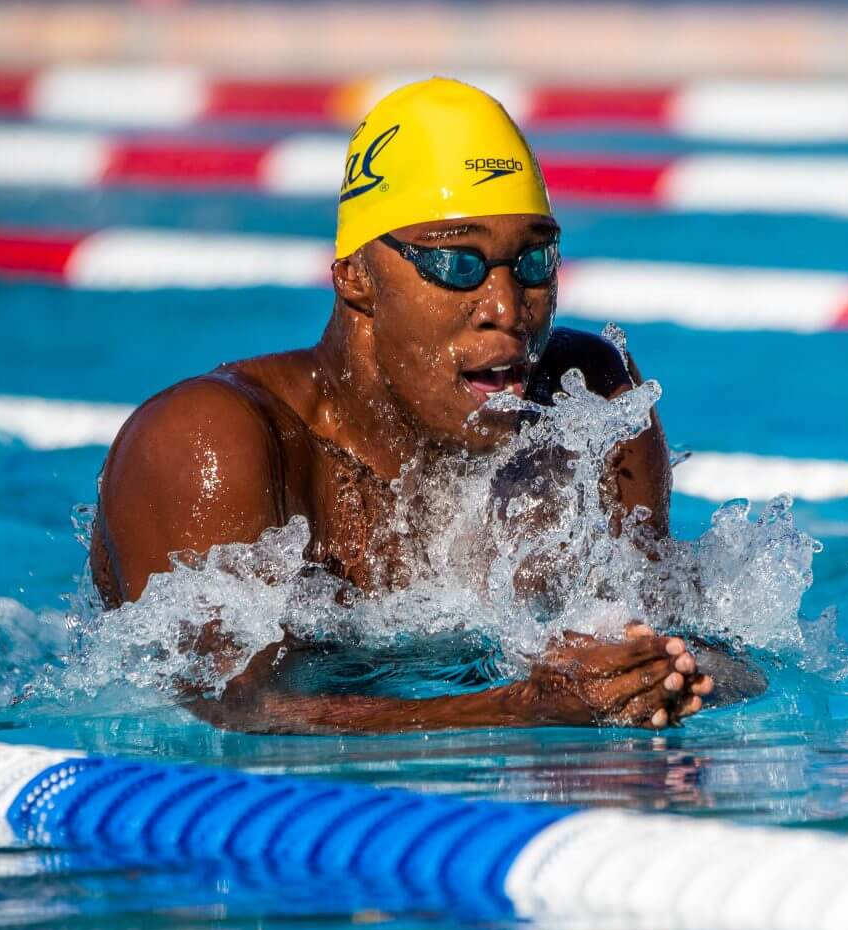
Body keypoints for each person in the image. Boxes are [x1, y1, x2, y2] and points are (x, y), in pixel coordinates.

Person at [89, 78, 716, 733]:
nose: (508, 308)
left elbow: (694, 644)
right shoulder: (214, 442)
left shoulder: (586, 401)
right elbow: (230, 712)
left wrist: (657, 677)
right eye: (457, 264)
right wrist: (519, 710)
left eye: (534, 260)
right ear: (355, 276)